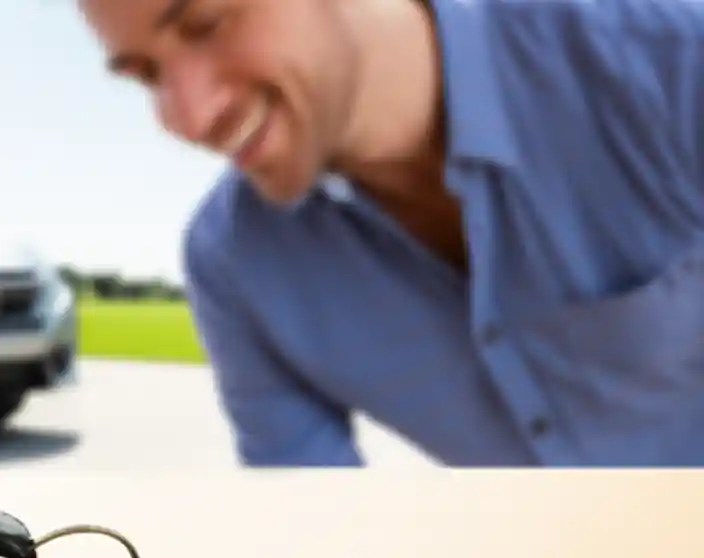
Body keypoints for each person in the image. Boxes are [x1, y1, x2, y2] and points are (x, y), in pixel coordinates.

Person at [76, 0, 704, 467]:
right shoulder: (235, 265)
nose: (190, 115)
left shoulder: (672, 67)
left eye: (208, 22)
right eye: (147, 75)